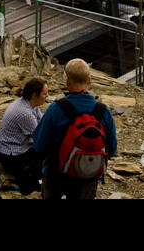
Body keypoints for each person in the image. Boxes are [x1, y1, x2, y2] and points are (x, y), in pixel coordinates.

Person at [32, 58, 117, 200]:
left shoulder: (56, 108)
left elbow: (39, 145)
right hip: (88, 175)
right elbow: (112, 149)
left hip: (56, 173)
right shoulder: (103, 111)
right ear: (89, 80)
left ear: (67, 82)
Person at [0, 77, 49, 194]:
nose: (47, 96)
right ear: (35, 95)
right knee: (49, 153)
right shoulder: (25, 113)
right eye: (44, 94)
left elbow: (42, 123)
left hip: (17, 147)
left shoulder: (30, 104)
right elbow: (40, 137)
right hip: (12, 156)